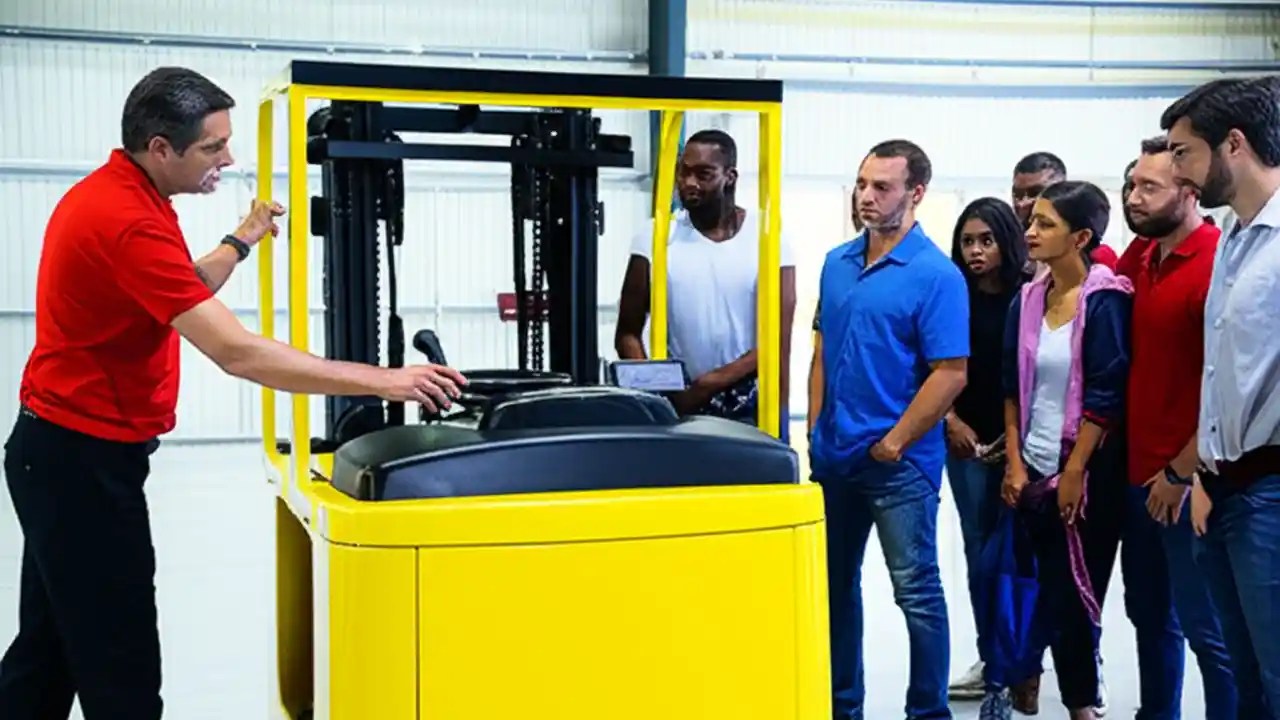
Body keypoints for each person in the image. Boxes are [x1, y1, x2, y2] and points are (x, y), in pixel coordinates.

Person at [0, 67, 465, 720]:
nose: (229, 158)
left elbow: (178, 284)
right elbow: (236, 352)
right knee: (121, 668)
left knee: (46, 654)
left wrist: (240, 240)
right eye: (213, 148)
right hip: (81, 462)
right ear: (161, 148)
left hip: (57, 451)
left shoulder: (124, 195)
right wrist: (390, 380)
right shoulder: (126, 218)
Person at [809, 139, 968, 720]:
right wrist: (817, 429)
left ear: (916, 193)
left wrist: (896, 440)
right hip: (834, 458)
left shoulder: (936, 276)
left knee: (917, 593)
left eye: (882, 186)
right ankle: (840, 705)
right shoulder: (836, 263)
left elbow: (950, 373)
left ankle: (928, 711)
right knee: (833, 590)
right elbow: (822, 350)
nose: (866, 197)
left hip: (899, 466)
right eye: (861, 184)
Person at [1163, 75, 1280, 717]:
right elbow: (1223, 371)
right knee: (1247, 683)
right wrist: (1207, 471)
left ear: (1232, 144)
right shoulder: (1235, 237)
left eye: (1184, 153)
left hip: (1271, 494)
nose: (1177, 172)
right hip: (1225, 490)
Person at [1000, 181, 1130, 720]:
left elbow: (1107, 390)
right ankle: (1023, 673)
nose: (1030, 232)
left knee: (1077, 595)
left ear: (1080, 236)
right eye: (1032, 222)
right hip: (1030, 466)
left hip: (1087, 472)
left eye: (1045, 224)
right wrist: (1013, 462)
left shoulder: (1105, 299)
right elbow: (1012, 385)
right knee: (1029, 588)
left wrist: (1075, 469)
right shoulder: (1028, 297)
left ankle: (1082, 703)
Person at [1120, 134, 1237, 720]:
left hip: (1189, 482)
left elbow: (1225, 389)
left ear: (1190, 193)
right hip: (1137, 476)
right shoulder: (1139, 256)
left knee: (1210, 633)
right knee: (1149, 618)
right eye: (1131, 185)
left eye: (1149, 187)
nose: (1133, 197)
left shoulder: (1217, 262)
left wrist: (1180, 471)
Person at [615, 129, 797, 438]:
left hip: (752, 404)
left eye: (703, 174)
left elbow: (778, 338)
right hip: (680, 405)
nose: (688, 184)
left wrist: (708, 384)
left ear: (730, 176)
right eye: (683, 172)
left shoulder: (766, 236)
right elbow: (628, 332)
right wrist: (656, 389)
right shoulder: (656, 238)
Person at [940, 198, 1034, 714]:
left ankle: (1025, 663)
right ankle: (991, 663)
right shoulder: (951, 294)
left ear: (1006, 240)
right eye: (967, 242)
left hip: (1019, 446)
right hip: (966, 445)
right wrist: (951, 421)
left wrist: (1014, 442)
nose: (975, 252)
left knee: (1021, 559)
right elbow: (929, 363)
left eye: (986, 240)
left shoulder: (1030, 295)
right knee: (980, 559)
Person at [1013, 152, 1118, 273]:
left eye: (1035, 193)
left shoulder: (1099, 265)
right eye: (1018, 194)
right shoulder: (1008, 251)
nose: (1022, 203)